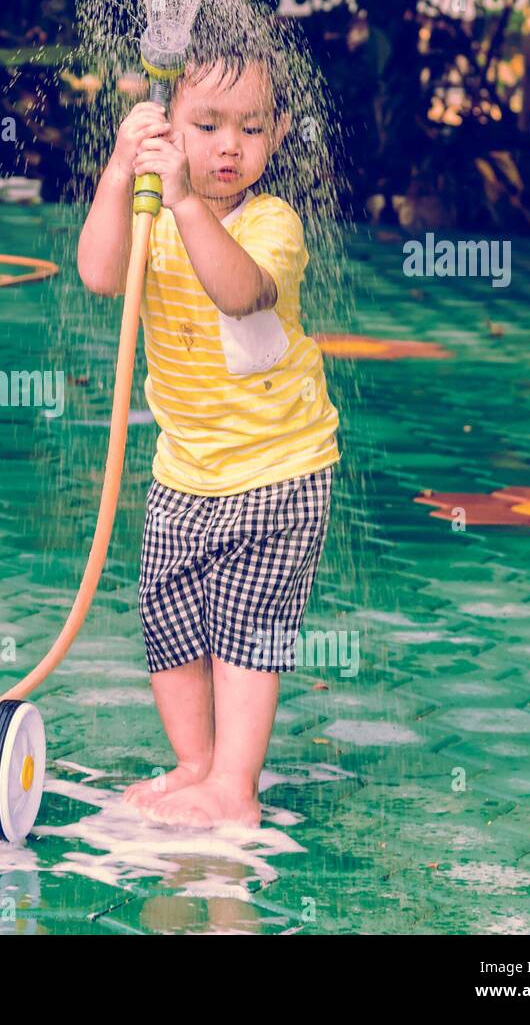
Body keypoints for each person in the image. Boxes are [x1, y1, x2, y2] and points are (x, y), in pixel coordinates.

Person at [77, 43, 340, 828]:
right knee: (171, 622)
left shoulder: (272, 223)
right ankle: (194, 761)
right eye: (207, 124)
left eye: (252, 128)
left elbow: (239, 293)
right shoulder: (150, 210)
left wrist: (186, 199)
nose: (230, 145)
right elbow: (98, 272)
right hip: (185, 469)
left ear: (280, 131)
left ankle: (235, 784)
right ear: (171, 127)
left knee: (246, 630)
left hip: (280, 468)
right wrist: (122, 174)